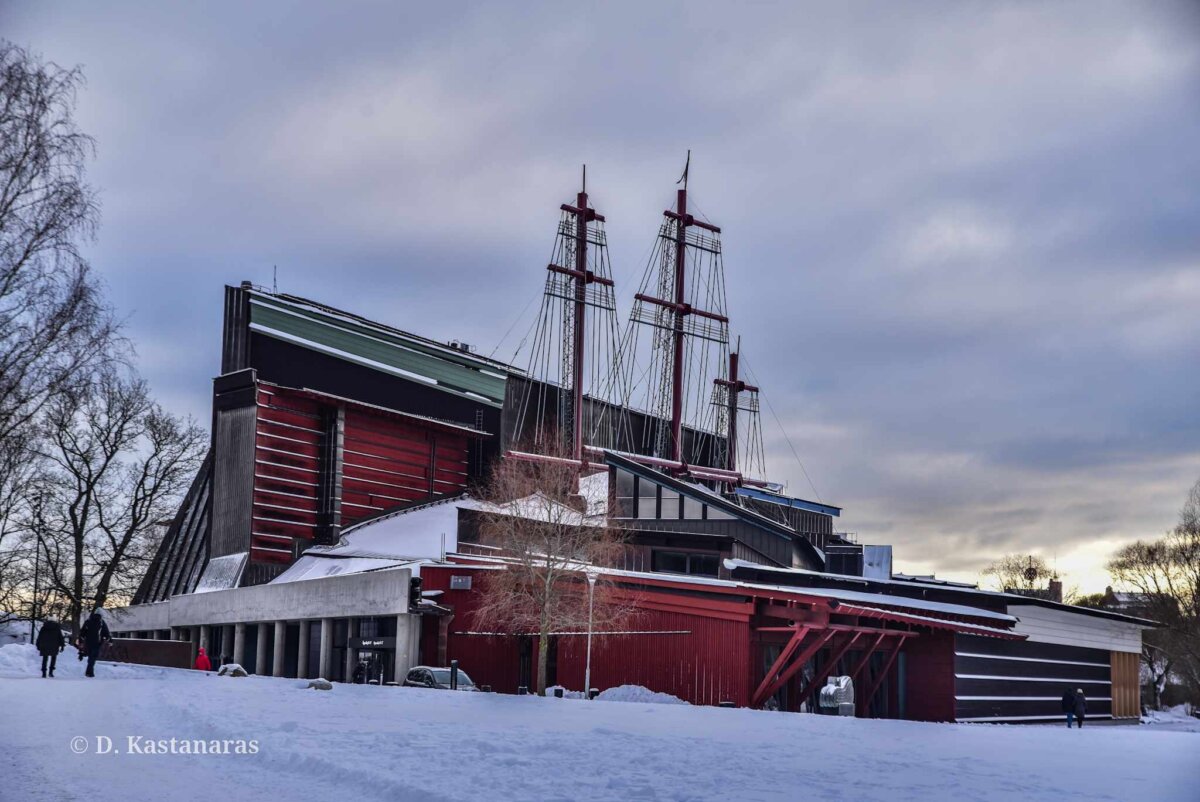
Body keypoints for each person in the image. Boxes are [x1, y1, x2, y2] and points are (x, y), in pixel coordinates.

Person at [78, 609, 111, 678]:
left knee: (91, 657)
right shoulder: (101, 622)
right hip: (97, 642)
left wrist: (81, 640)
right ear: (101, 615)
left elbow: (82, 632)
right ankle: (89, 673)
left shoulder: (88, 621)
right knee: (93, 657)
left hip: (88, 642)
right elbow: (106, 632)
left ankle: (90, 672)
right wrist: (109, 639)